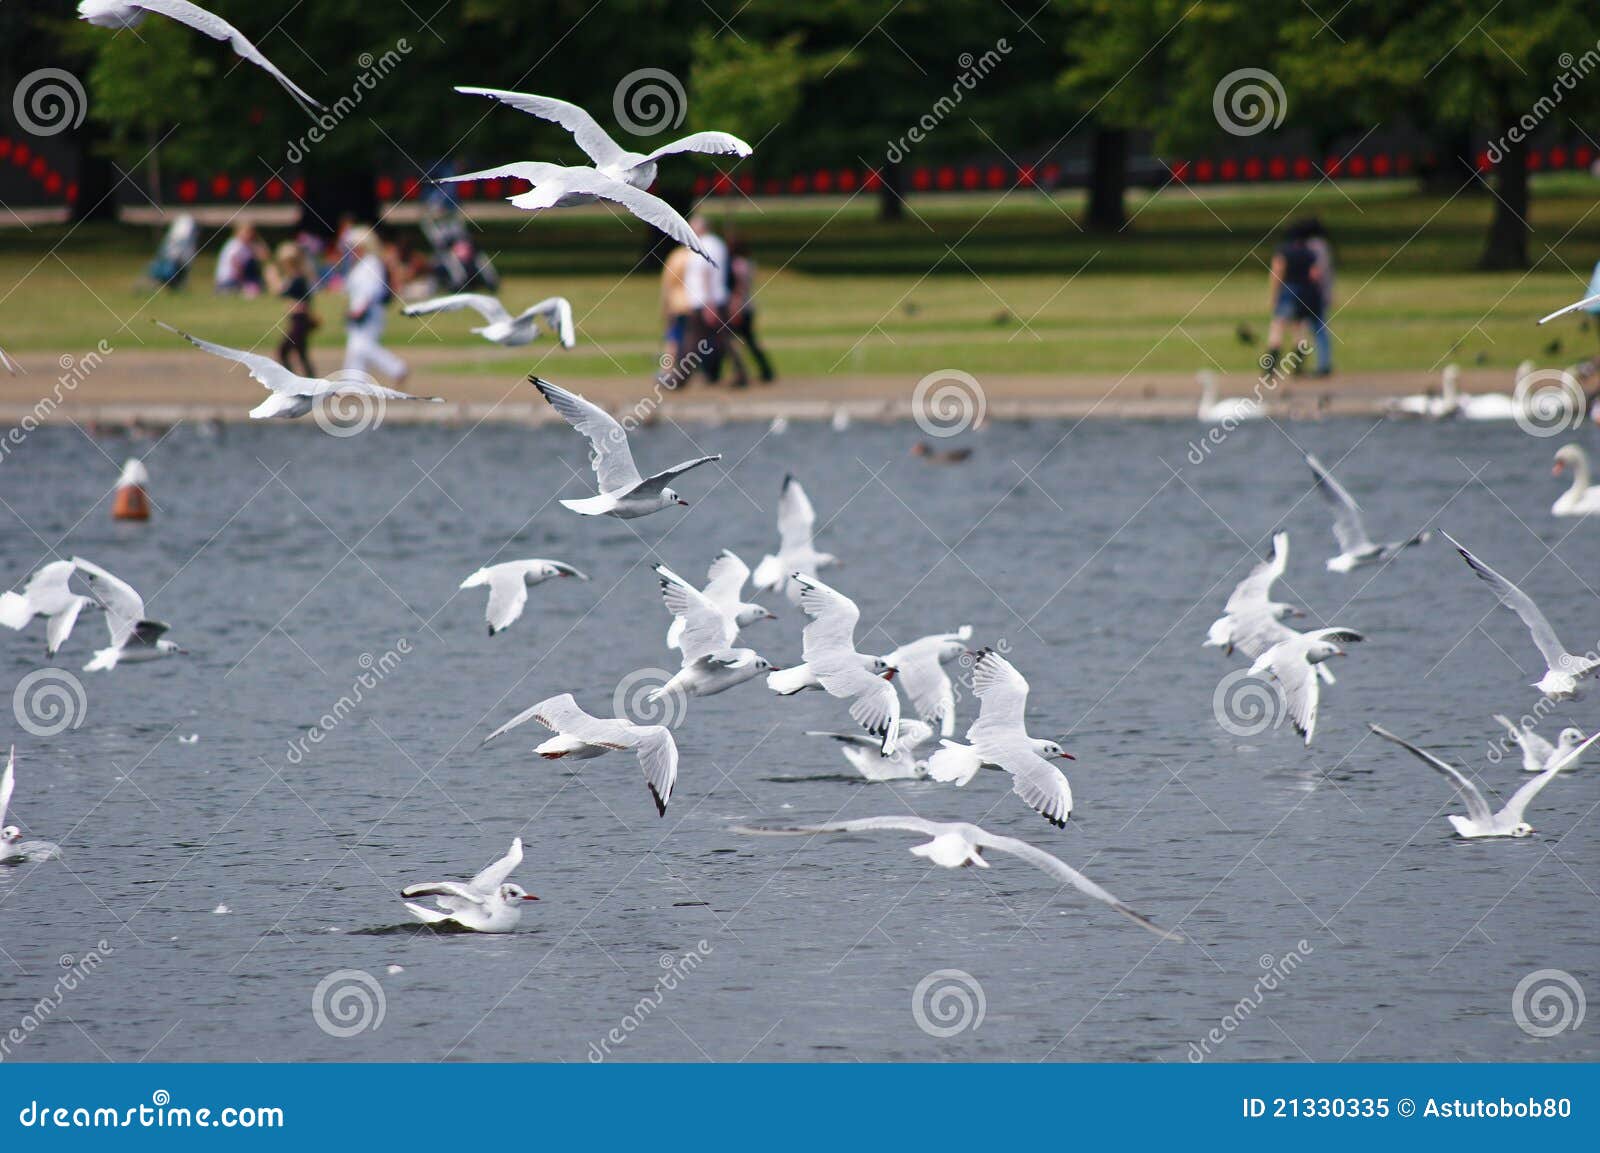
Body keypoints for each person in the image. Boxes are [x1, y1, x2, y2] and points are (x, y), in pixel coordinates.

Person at [343, 226, 408, 384]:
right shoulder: (360, 265)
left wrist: (361, 309)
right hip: (359, 310)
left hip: (369, 312)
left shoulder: (371, 263)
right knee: (355, 348)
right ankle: (354, 381)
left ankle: (397, 368)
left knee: (362, 346)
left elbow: (372, 289)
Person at [1262, 222, 1324, 378]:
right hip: (1305, 293)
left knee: (1277, 328)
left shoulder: (1283, 251)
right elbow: (1315, 275)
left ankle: (1270, 369)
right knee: (1300, 330)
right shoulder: (1309, 252)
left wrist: (1273, 295)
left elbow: (1277, 272)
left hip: (1288, 291)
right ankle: (1297, 369)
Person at [726, 236, 775, 384]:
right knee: (750, 341)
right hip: (748, 306)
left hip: (739, 308)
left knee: (733, 342)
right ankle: (765, 370)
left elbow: (738, 289)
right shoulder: (749, 264)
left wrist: (735, 308)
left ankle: (740, 373)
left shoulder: (736, 265)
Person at [265, 241, 317, 376]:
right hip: (298, 320)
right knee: (301, 353)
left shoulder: (298, 279)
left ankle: (292, 383)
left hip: (300, 320)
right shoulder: (297, 277)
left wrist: (272, 278)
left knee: (283, 351)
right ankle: (311, 384)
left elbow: (281, 293)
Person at [1301, 218, 1334, 376]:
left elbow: (1317, 271)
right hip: (1322, 291)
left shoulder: (1313, 246)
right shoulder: (1323, 245)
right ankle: (1323, 362)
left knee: (1318, 329)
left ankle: (1322, 364)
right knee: (1318, 329)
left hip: (1314, 293)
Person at [659, 243, 696, 386]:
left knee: (673, 339)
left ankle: (667, 370)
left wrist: (665, 306)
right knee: (691, 339)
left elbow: (667, 283)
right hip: (695, 303)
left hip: (677, 303)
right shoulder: (696, 256)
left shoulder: (677, 257)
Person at [214, 222, 268, 295]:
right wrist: (242, 281)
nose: (250, 235)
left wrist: (258, 239)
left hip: (233, 281)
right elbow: (235, 262)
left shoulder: (246, 245)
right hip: (228, 280)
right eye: (247, 232)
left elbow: (264, 256)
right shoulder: (236, 244)